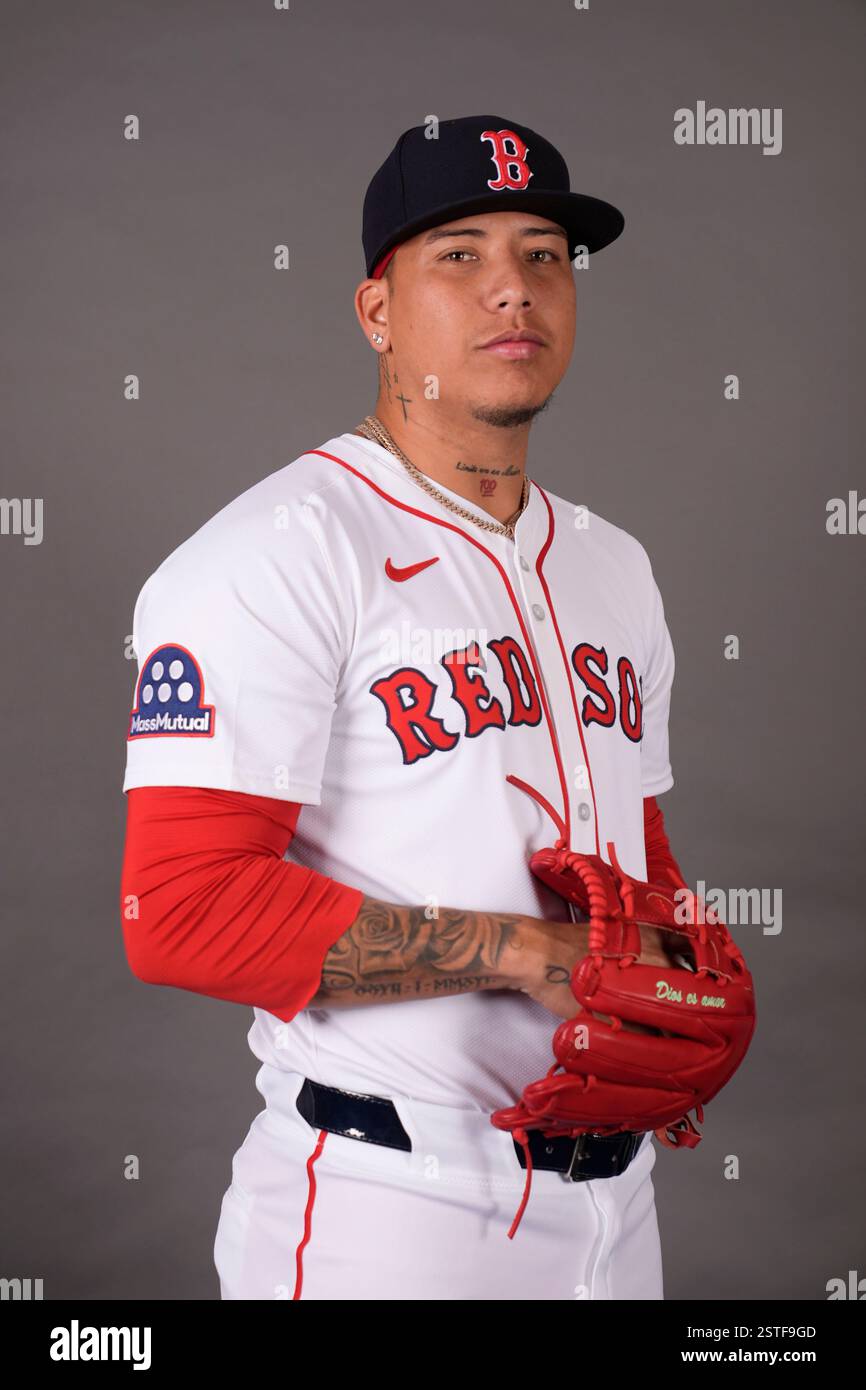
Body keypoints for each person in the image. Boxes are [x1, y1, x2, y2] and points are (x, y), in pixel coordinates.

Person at [120, 113, 688, 1300]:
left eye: (543, 255)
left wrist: (674, 957)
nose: (512, 291)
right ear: (377, 311)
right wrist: (523, 953)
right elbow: (177, 908)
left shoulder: (611, 564)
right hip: (387, 1210)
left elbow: (633, 851)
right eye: (459, 254)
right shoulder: (274, 553)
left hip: (615, 1209)